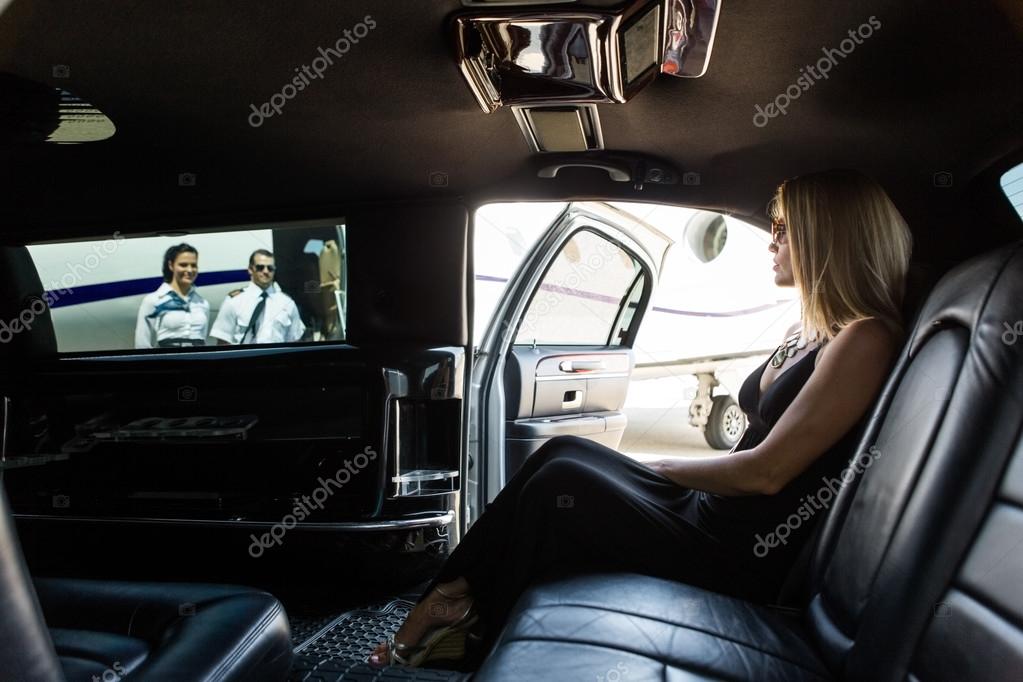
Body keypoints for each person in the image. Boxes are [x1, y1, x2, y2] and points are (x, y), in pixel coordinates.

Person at [368, 169, 914, 668]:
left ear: (828, 237)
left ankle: (462, 625)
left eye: (785, 228)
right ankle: (453, 603)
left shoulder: (864, 338)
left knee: (563, 480)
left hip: (740, 550)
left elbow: (765, 473)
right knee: (560, 453)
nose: (771, 240)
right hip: (714, 513)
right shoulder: (813, 330)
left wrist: (657, 465)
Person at [209, 249, 305, 345]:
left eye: (270, 268)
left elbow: (294, 341)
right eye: (260, 267)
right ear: (250, 269)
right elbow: (223, 341)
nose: (266, 271)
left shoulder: (287, 303)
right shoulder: (234, 301)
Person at [134, 243, 210, 349]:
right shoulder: (153, 301)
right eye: (183, 265)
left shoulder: (203, 303)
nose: (189, 270)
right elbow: (142, 344)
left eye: (193, 265)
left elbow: (203, 339)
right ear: (171, 265)